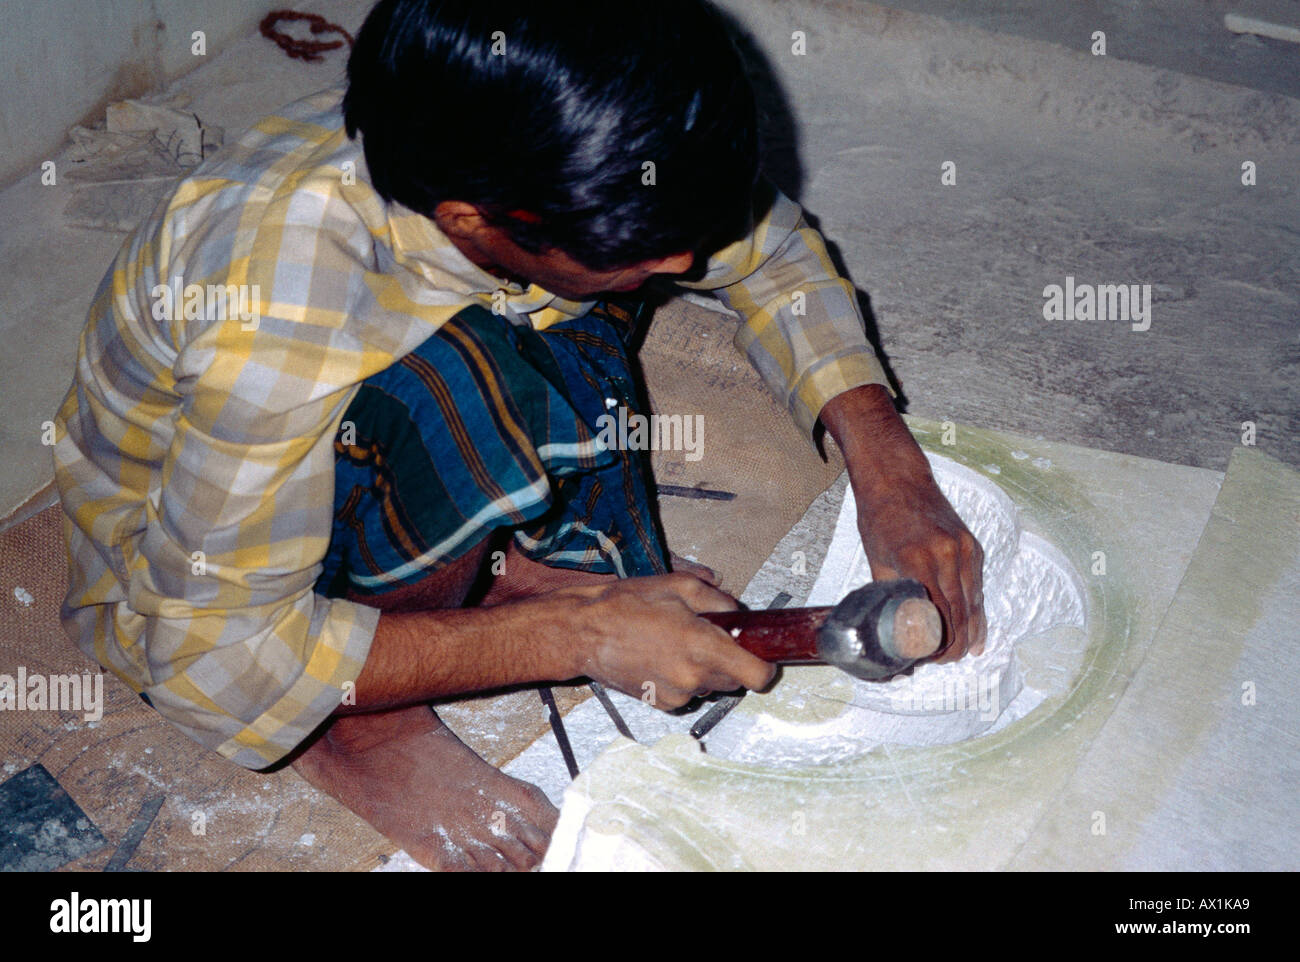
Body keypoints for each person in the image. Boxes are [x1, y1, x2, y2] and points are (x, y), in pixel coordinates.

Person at [53, 0, 985, 871]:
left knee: (571, 326)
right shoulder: (275, 307)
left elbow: (773, 258)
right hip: (193, 578)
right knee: (456, 390)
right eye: (646, 250)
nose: (687, 268)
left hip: (422, 354)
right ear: (470, 220)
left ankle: (486, 578)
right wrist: (579, 635)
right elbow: (207, 655)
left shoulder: (539, 146)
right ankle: (363, 723)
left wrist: (888, 463)